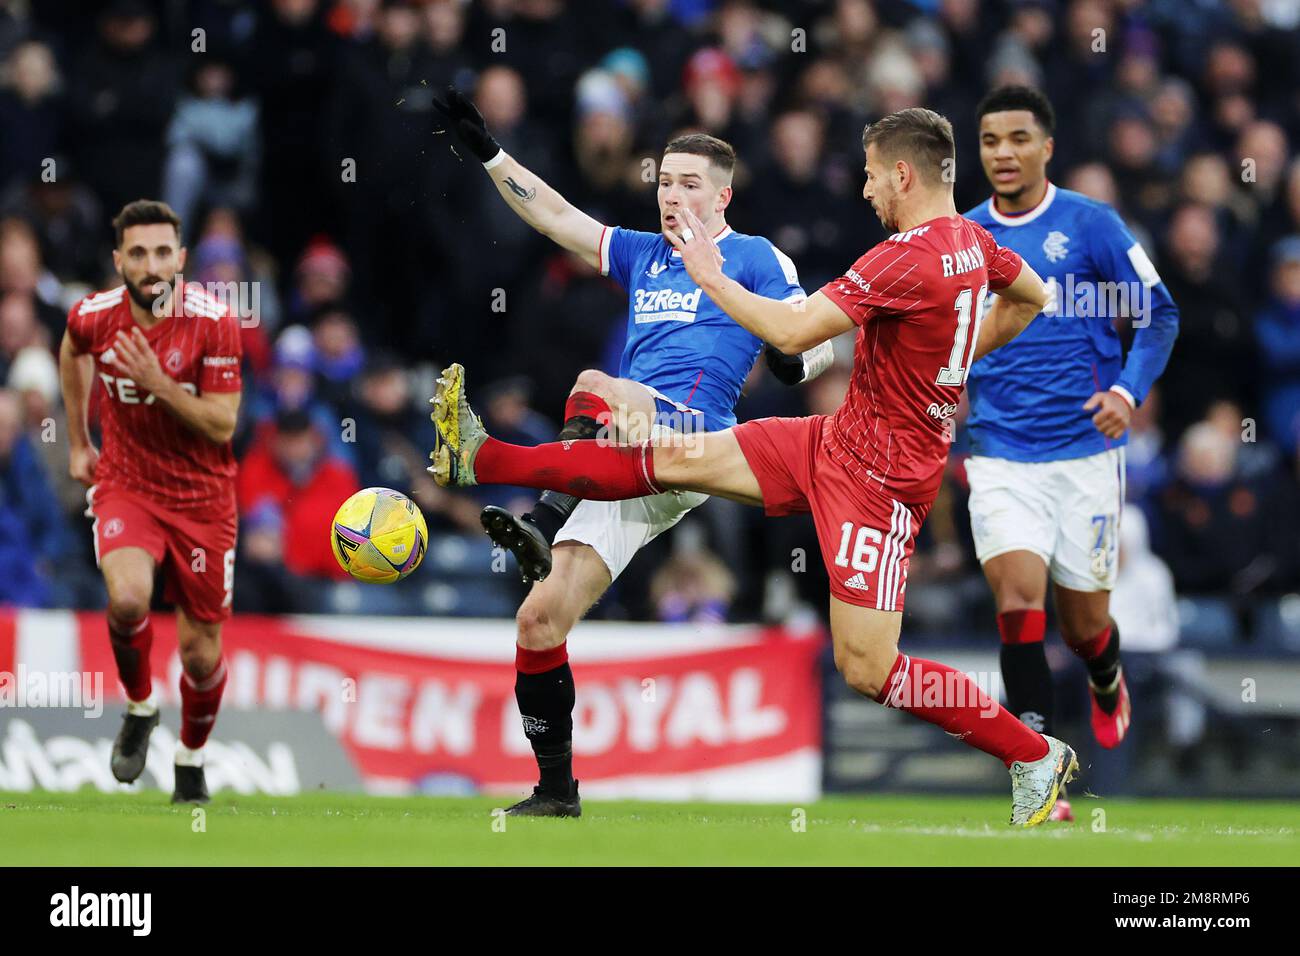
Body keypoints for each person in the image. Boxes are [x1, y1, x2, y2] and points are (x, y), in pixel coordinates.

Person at [430, 107, 1080, 828]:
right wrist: (952, 370)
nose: (865, 191)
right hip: (832, 439)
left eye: (870, 175)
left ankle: (1032, 753)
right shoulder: (972, 242)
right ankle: (486, 459)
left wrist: (710, 273)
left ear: (902, 172)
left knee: (868, 668)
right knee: (667, 458)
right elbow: (1034, 297)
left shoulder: (899, 256)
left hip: (881, 481)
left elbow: (797, 334)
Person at [431, 86, 831, 817]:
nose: (670, 194)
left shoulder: (753, 255)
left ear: (723, 197)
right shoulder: (647, 254)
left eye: (688, 184)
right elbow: (555, 215)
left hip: (694, 437)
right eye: (664, 181)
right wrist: (490, 154)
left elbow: (817, 335)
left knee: (598, 383)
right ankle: (556, 792)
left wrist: (792, 363)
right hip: (622, 454)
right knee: (538, 621)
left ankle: (504, 481)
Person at [963, 86, 1180, 819]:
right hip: (996, 449)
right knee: (1016, 597)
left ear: (1046, 147)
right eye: (990, 140)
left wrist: (1127, 392)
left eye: (1017, 138)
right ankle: (1036, 773)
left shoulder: (1092, 225)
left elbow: (1158, 314)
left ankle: (1106, 677)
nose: (1003, 153)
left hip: (1086, 452)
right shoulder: (961, 237)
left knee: (1084, 625)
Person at [58, 200, 242, 804]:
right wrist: (80, 442)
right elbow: (72, 349)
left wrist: (158, 384)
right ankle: (139, 707)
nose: (151, 264)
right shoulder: (94, 315)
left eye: (163, 251)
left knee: (199, 654)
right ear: (119, 261)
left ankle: (190, 759)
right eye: (137, 252)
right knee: (128, 599)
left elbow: (221, 424)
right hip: (127, 485)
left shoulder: (214, 321)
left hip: (203, 502)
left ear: (181, 258)